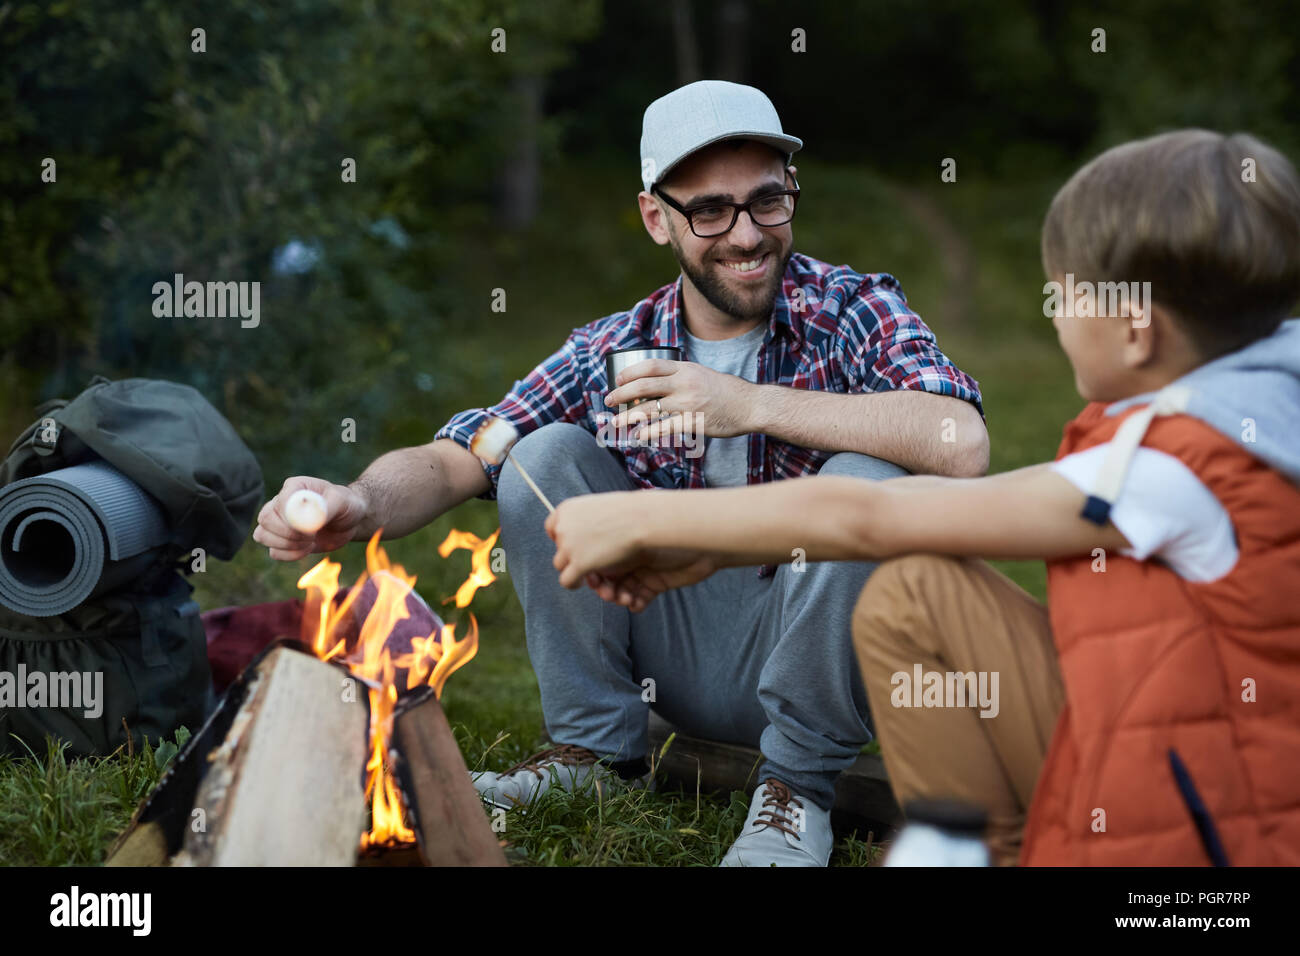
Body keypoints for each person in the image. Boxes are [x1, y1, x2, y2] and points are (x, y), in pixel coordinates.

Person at [253, 80, 986, 867]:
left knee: (868, 474)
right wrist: (358, 500)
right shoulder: (617, 348)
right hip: (679, 651)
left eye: (767, 201)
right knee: (544, 455)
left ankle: (795, 792)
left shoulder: (851, 308)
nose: (745, 235)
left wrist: (747, 403)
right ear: (655, 218)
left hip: (828, 649)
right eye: (709, 211)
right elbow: (459, 454)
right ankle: (597, 759)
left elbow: (960, 441)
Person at [547, 129, 1300, 866]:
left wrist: (651, 518)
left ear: (1136, 333)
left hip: (1212, 831)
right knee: (918, 593)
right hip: (1156, 725)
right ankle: (969, 844)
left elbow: (868, 514)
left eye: (1061, 299)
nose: (1055, 317)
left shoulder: (1182, 466)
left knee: (899, 554)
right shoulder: (1242, 409)